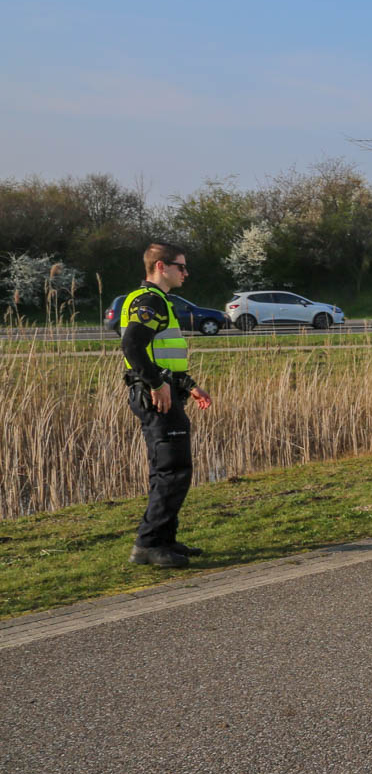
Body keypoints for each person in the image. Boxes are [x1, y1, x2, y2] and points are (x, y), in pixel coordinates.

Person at [120, 242, 212, 568]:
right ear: (161, 266)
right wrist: (158, 385)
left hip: (165, 392)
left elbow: (163, 357)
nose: (185, 273)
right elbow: (131, 345)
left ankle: (165, 540)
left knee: (170, 469)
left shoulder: (156, 301)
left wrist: (188, 384)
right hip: (155, 397)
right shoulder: (151, 301)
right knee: (173, 470)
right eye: (181, 266)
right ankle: (148, 544)